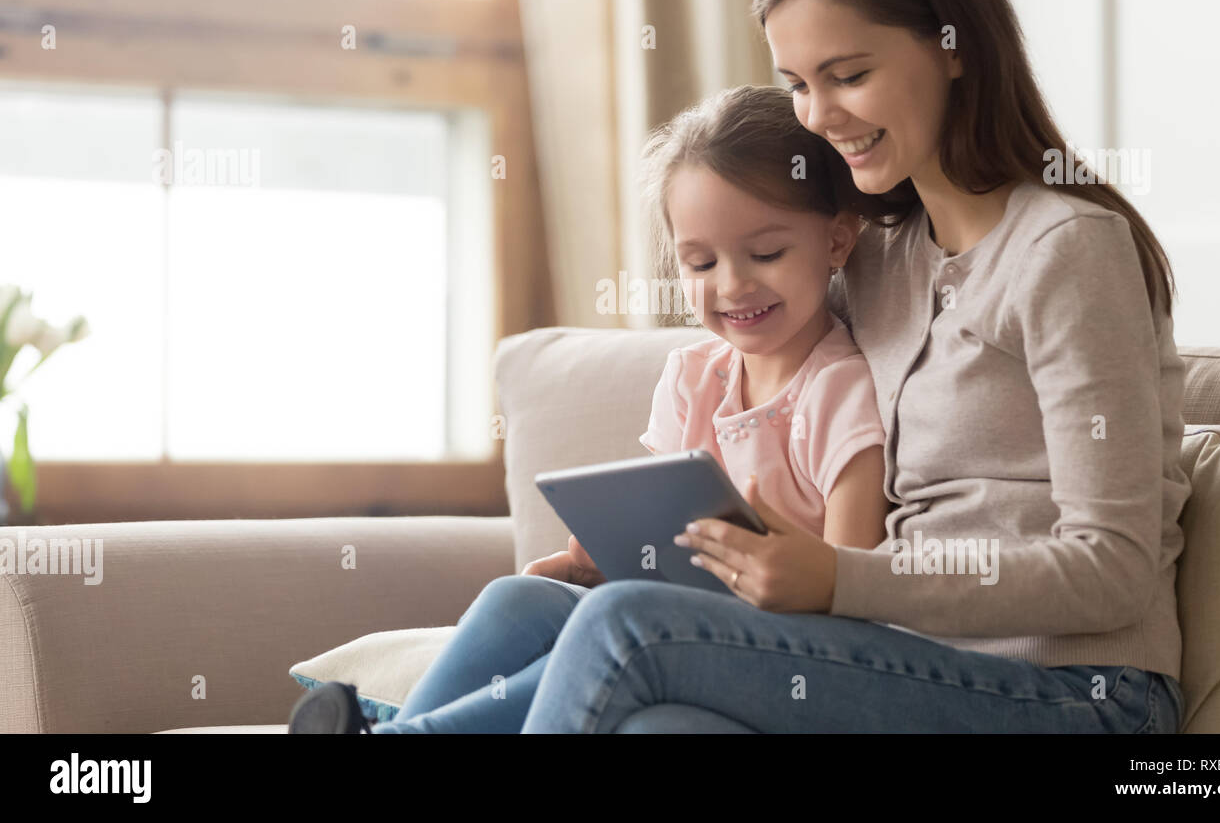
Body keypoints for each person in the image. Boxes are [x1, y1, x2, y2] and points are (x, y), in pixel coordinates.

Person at [295, 0, 1189, 734]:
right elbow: (754, 337)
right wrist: (642, 549)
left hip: (1079, 695)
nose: (820, 115)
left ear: (954, 43)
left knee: (630, 631)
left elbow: (1110, 570)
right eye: (799, 83)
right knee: (610, 672)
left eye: (847, 73)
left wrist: (843, 579)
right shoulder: (877, 256)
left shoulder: (1066, 251)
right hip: (895, 665)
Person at [289, 83, 891, 733]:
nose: (732, 284)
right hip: (657, 623)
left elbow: (851, 592)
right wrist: (603, 564)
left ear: (836, 241)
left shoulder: (839, 391)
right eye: (700, 262)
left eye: (766, 253)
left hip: (767, 657)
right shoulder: (693, 377)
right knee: (517, 598)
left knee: (603, 638)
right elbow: (658, 547)